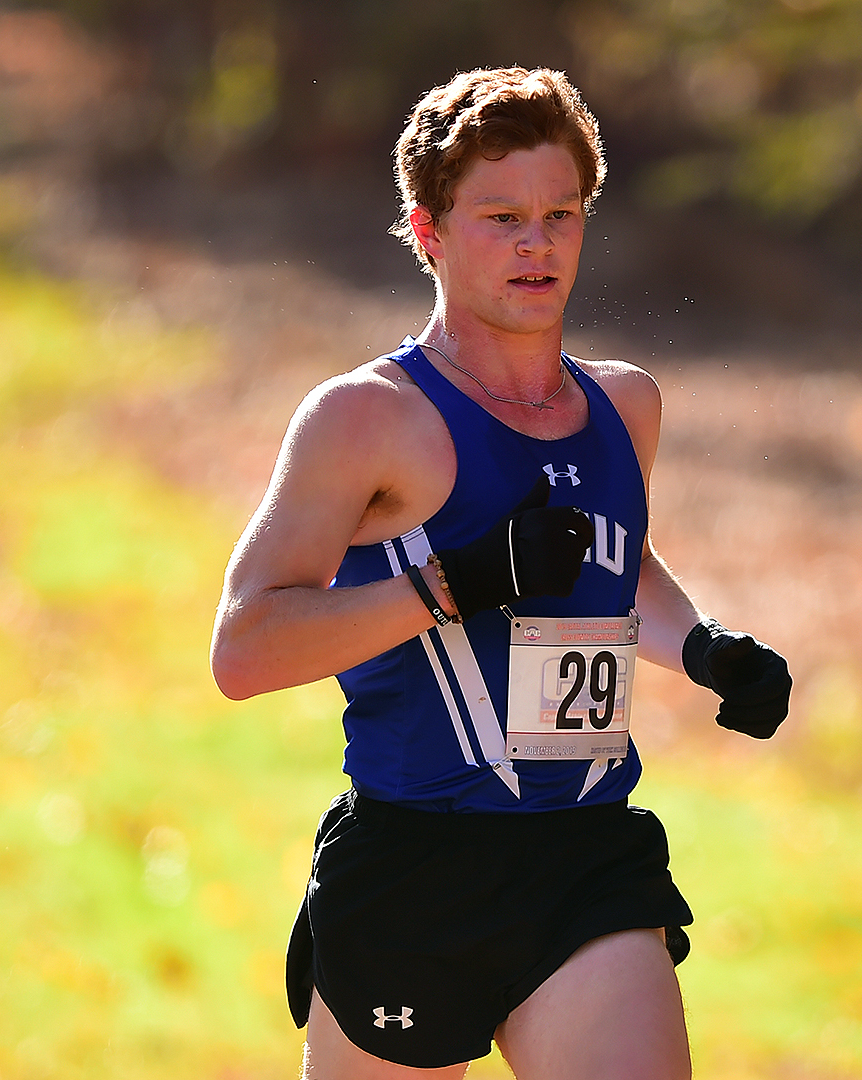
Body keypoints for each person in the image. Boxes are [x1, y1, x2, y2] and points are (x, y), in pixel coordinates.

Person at [209, 66, 793, 1080]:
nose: (538, 243)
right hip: (413, 871)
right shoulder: (366, 419)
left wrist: (704, 650)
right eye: (502, 216)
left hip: (585, 861)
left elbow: (620, 570)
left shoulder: (627, 407)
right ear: (427, 229)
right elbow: (245, 647)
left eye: (560, 213)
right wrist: (449, 587)